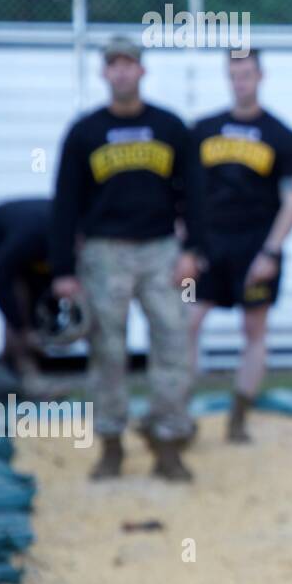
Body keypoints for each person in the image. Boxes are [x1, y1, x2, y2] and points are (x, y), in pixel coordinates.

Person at [50, 36, 203, 482]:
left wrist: (194, 250)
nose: (121, 71)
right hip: (103, 253)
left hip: (160, 250)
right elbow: (64, 204)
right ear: (104, 73)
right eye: (113, 64)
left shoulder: (171, 127)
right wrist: (63, 271)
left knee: (173, 344)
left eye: (128, 64)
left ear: (142, 71)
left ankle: (169, 441)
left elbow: (194, 195)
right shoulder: (84, 132)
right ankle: (111, 444)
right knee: (107, 351)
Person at [188, 50, 292, 443]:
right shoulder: (203, 129)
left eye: (247, 74)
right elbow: (182, 190)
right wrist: (186, 243)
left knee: (254, 328)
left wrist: (271, 250)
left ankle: (238, 417)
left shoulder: (281, 135)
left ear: (260, 76)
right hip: (208, 246)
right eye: (234, 74)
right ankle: (178, 413)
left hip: (255, 247)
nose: (240, 82)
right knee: (188, 323)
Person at [0, 198, 52, 379]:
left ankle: (12, 375)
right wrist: (22, 327)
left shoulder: (66, 242)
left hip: (28, 247)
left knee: (30, 305)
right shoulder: (29, 236)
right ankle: (20, 371)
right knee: (17, 302)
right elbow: (0, 279)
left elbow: (46, 286)